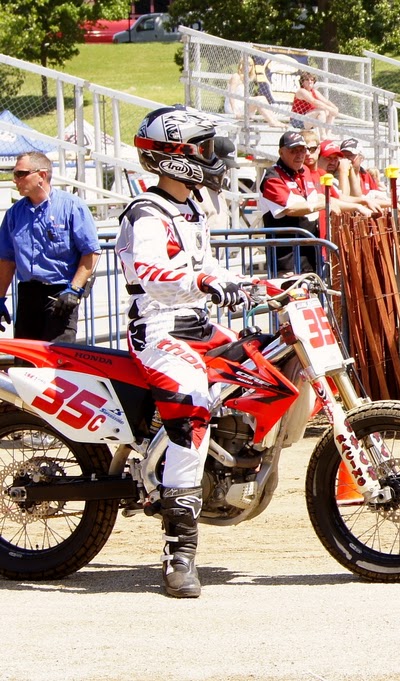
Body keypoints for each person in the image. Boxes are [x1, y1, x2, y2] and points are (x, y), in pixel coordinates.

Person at [117, 105, 254, 598]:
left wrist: (258, 284)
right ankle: (180, 553)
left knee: (260, 364)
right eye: (207, 148)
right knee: (193, 409)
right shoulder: (146, 213)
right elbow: (154, 274)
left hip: (198, 327)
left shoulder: (192, 209)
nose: (217, 157)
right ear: (177, 156)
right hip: (158, 331)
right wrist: (203, 282)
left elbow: (211, 266)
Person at [0, 151, 100, 343]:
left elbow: (91, 253)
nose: (15, 180)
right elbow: (7, 259)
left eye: (21, 174)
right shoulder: (14, 214)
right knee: (26, 363)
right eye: (14, 174)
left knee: (58, 361)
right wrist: (0, 298)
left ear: (42, 175)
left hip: (61, 294)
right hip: (28, 294)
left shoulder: (71, 206)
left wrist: (74, 289)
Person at [258, 131, 327, 275]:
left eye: (302, 150)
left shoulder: (304, 170)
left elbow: (318, 198)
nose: (300, 155)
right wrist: (323, 204)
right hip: (286, 260)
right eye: (293, 151)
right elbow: (291, 208)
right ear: (281, 152)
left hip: (310, 255)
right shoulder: (272, 176)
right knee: (290, 296)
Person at [316, 140, 373, 217]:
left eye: (335, 159)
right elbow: (342, 199)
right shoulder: (317, 175)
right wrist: (343, 171)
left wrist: (350, 169)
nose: (332, 162)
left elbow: (355, 196)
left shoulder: (334, 174)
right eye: (328, 158)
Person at [339, 138, 391, 211]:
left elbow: (374, 195)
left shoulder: (366, 175)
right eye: (343, 156)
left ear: (361, 158)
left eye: (351, 155)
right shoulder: (339, 173)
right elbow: (348, 198)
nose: (346, 159)